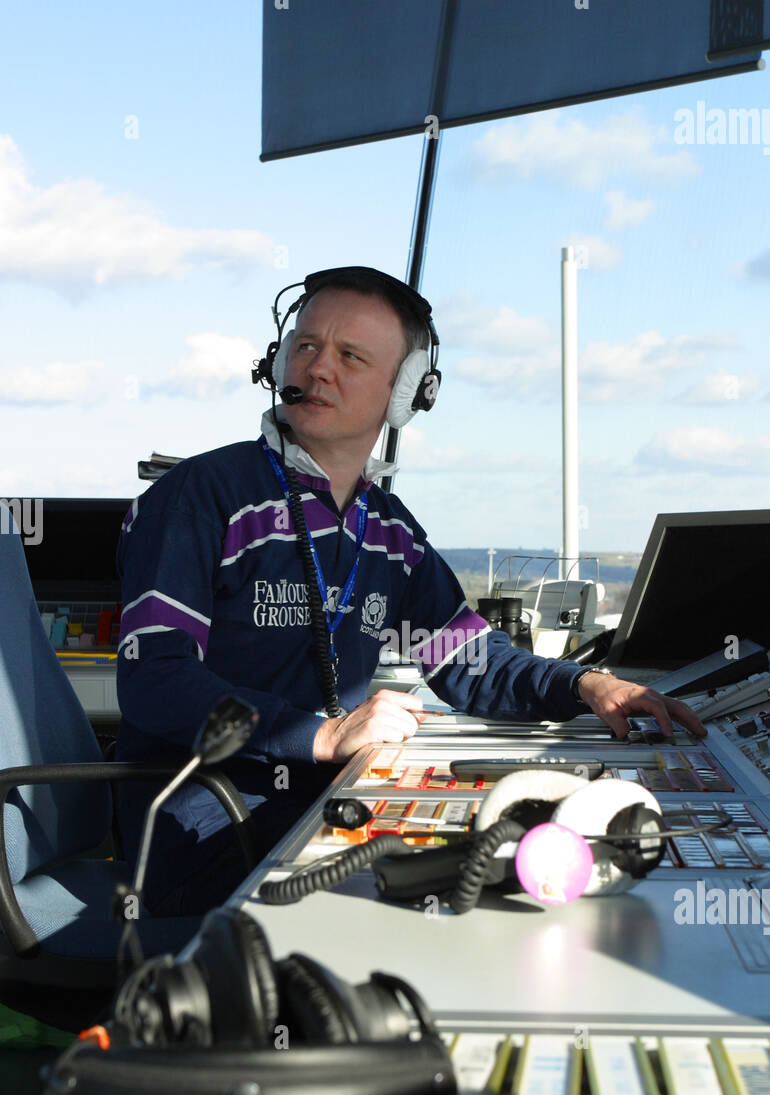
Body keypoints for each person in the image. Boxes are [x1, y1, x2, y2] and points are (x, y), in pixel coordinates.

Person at [115, 267, 705, 915]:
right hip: (206, 825)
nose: (317, 370)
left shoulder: (389, 531)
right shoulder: (199, 499)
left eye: (351, 356)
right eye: (306, 346)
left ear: (404, 394)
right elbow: (156, 678)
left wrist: (584, 686)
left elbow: (468, 663)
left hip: (318, 802)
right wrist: (317, 736)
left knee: (507, 855)